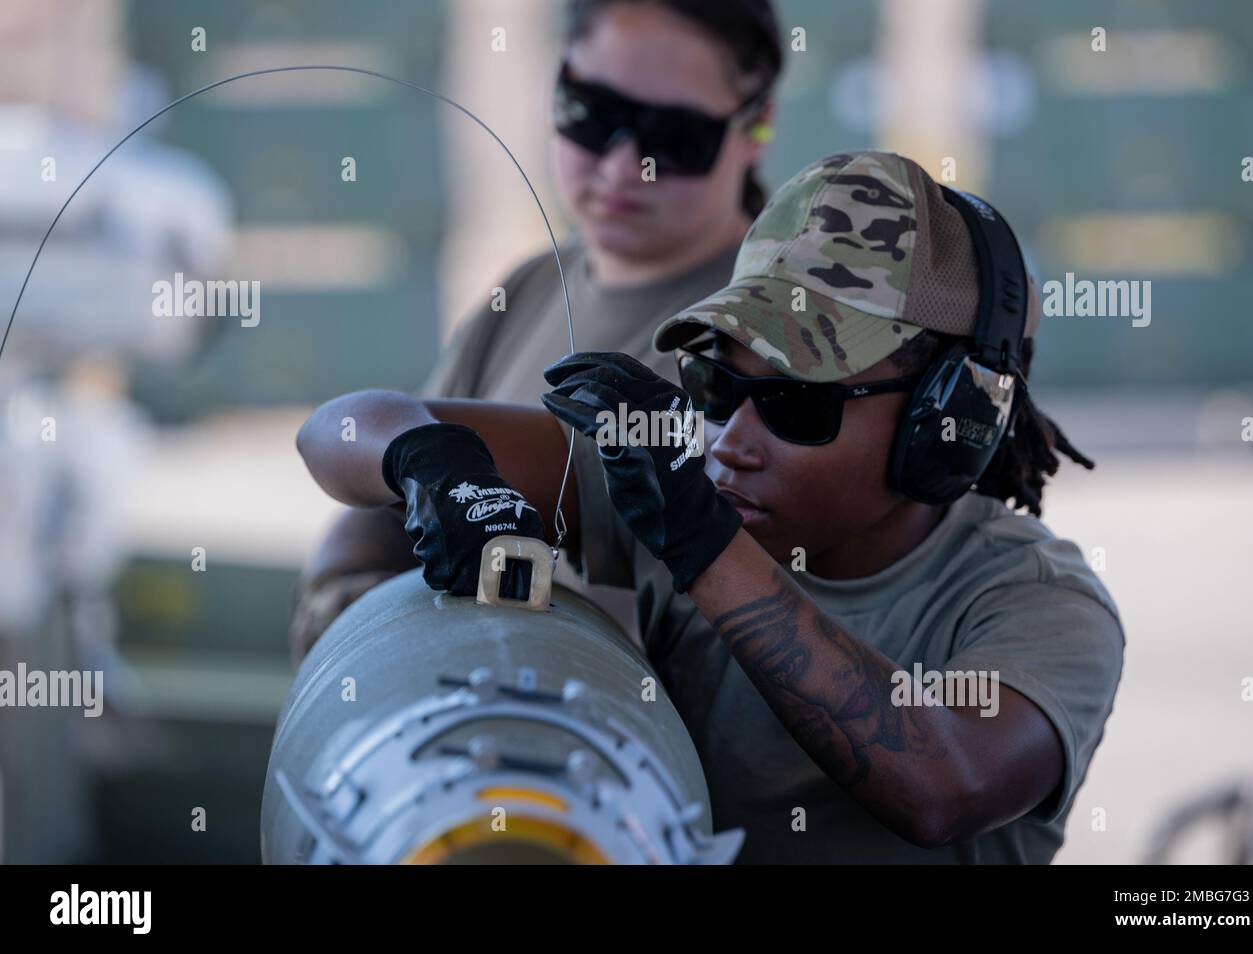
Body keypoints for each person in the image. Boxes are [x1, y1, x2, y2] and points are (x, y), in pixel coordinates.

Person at [296, 149, 1125, 863]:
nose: (733, 439)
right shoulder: (681, 488)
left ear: (947, 423)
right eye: (717, 386)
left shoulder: (1037, 604)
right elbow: (339, 428)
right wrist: (433, 464)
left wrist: (703, 544)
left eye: (800, 405)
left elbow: (944, 783)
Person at [289, 0, 784, 663]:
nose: (620, 165)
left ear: (758, 126)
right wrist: (353, 612)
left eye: (674, 137)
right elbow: (377, 503)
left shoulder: (781, 344)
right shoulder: (527, 290)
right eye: (592, 114)